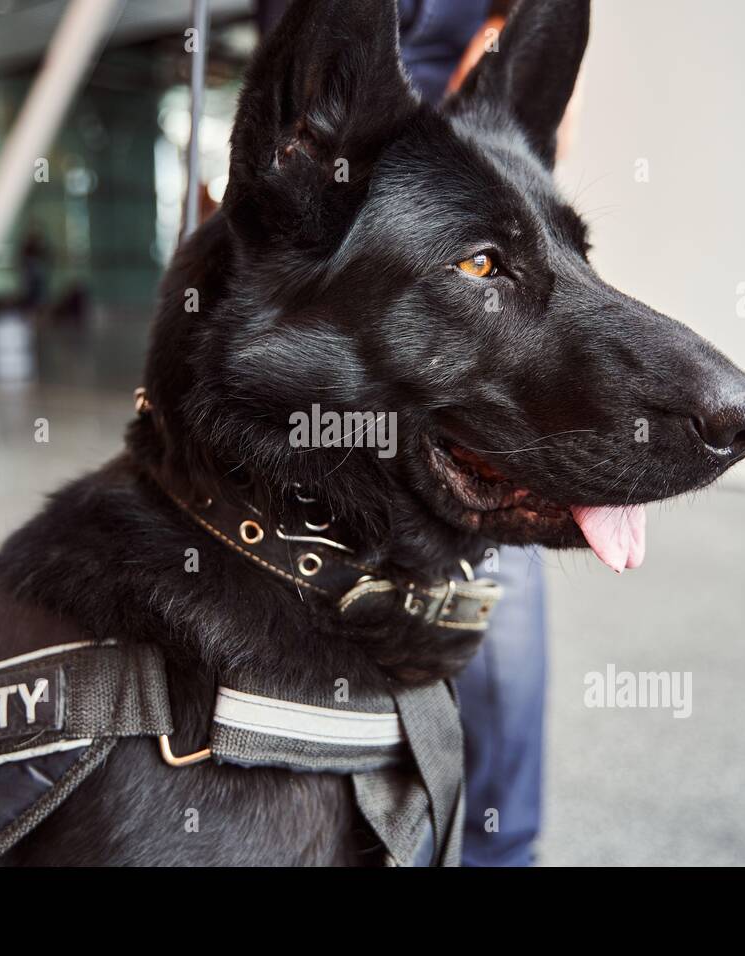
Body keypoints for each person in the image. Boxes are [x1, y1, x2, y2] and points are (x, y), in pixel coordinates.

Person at [253, 0, 557, 866]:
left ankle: (501, 849)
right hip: (325, 191)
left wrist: (501, 150)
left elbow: (527, 36)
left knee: (483, 551)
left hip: (442, 176)